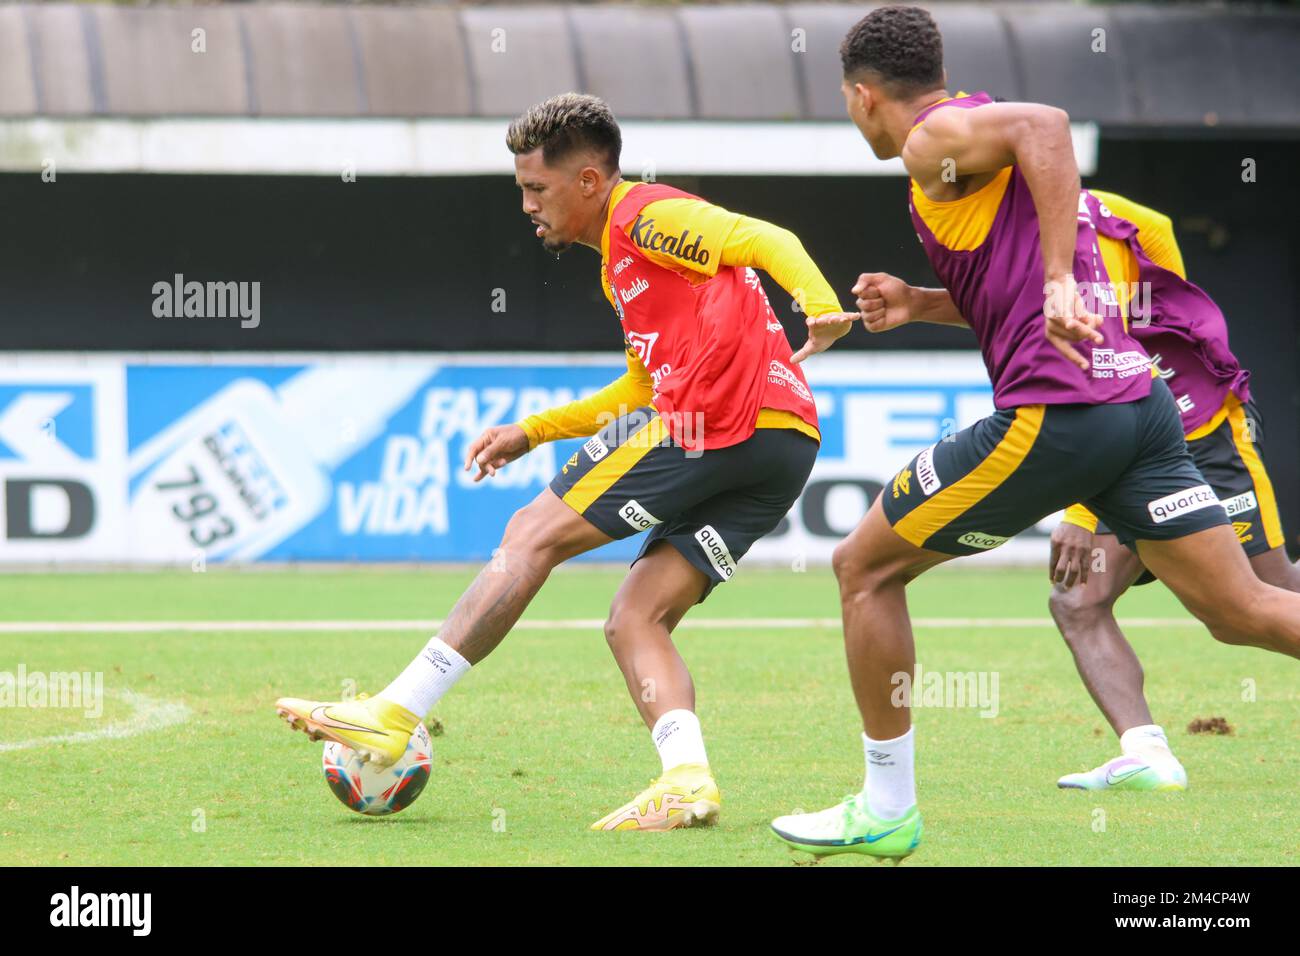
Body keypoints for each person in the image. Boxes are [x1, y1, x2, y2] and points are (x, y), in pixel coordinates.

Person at [771, 4, 1300, 862]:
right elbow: (1004, 288)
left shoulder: (930, 140)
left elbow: (1045, 123)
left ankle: (885, 806)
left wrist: (1061, 281)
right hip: (1140, 409)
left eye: (846, 101)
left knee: (862, 567)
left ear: (864, 96)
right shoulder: (964, 146)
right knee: (1243, 609)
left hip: (1061, 416)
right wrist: (917, 304)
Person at [275, 93, 856, 831]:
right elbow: (642, 386)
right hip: (783, 444)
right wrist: (535, 430)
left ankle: (396, 711)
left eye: (535, 188)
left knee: (529, 534)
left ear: (587, 181)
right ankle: (687, 778)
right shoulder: (624, 268)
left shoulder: (645, 214)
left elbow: (761, 236)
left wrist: (818, 301)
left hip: (710, 421)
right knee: (634, 616)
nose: (526, 204)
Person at [852, 188, 1299, 793]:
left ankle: (886, 797)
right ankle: (1147, 754)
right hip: (1135, 430)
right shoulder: (1013, 214)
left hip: (1194, 428)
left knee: (1258, 600)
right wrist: (920, 301)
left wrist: (1081, 513)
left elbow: (1101, 340)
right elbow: (1026, 310)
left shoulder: (1080, 217)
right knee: (1080, 601)